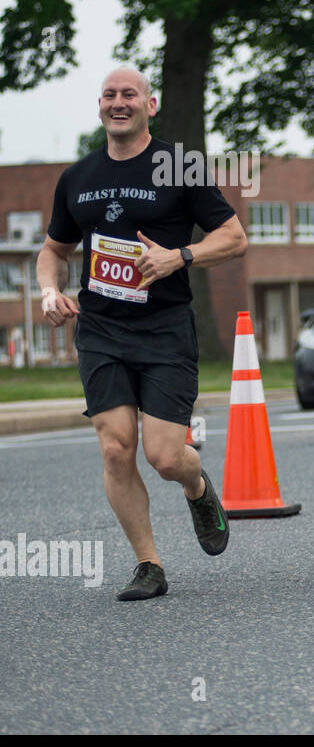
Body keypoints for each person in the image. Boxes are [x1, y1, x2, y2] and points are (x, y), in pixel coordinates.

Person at [37, 67, 248, 601]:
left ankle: (198, 488)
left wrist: (181, 255)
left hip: (164, 330)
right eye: (109, 95)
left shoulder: (181, 168)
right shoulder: (77, 178)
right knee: (114, 449)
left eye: (129, 94)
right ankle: (149, 564)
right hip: (102, 329)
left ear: (150, 105)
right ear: (100, 106)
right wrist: (48, 291)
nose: (118, 102)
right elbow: (53, 249)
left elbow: (234, 236)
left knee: (165, 456)